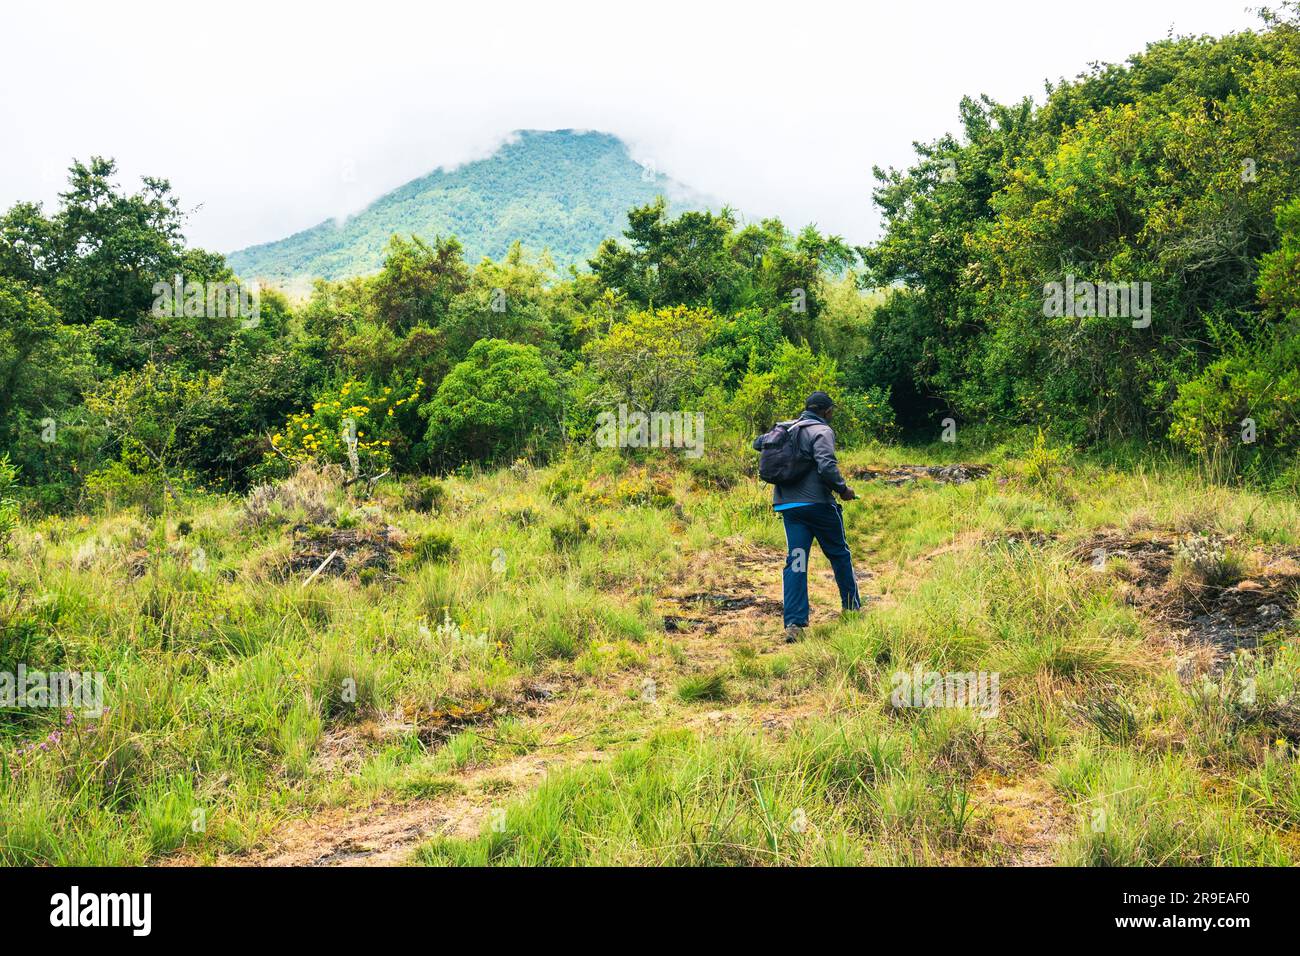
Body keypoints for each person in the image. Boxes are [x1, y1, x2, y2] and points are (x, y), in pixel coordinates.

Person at [753, 391, 861, 642]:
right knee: (839, 554)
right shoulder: (822, 431)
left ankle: (794, 623)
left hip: (789, 507)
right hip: (819, 506)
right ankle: (852, 608)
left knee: (797, 561)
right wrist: (843, 490)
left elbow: (758, 443)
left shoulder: (788, 428)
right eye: (832, 411)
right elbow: (826, 465)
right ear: (826, 411)